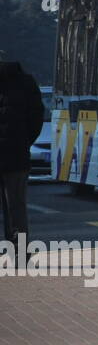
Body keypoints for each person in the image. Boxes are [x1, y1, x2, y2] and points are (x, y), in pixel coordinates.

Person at [0, 53, 44, 244]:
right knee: (17, 206)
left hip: (14, 152)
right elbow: (37, 118)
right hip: (17, 156)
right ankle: (19, 250)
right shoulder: (26, 82)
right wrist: (24, 141)